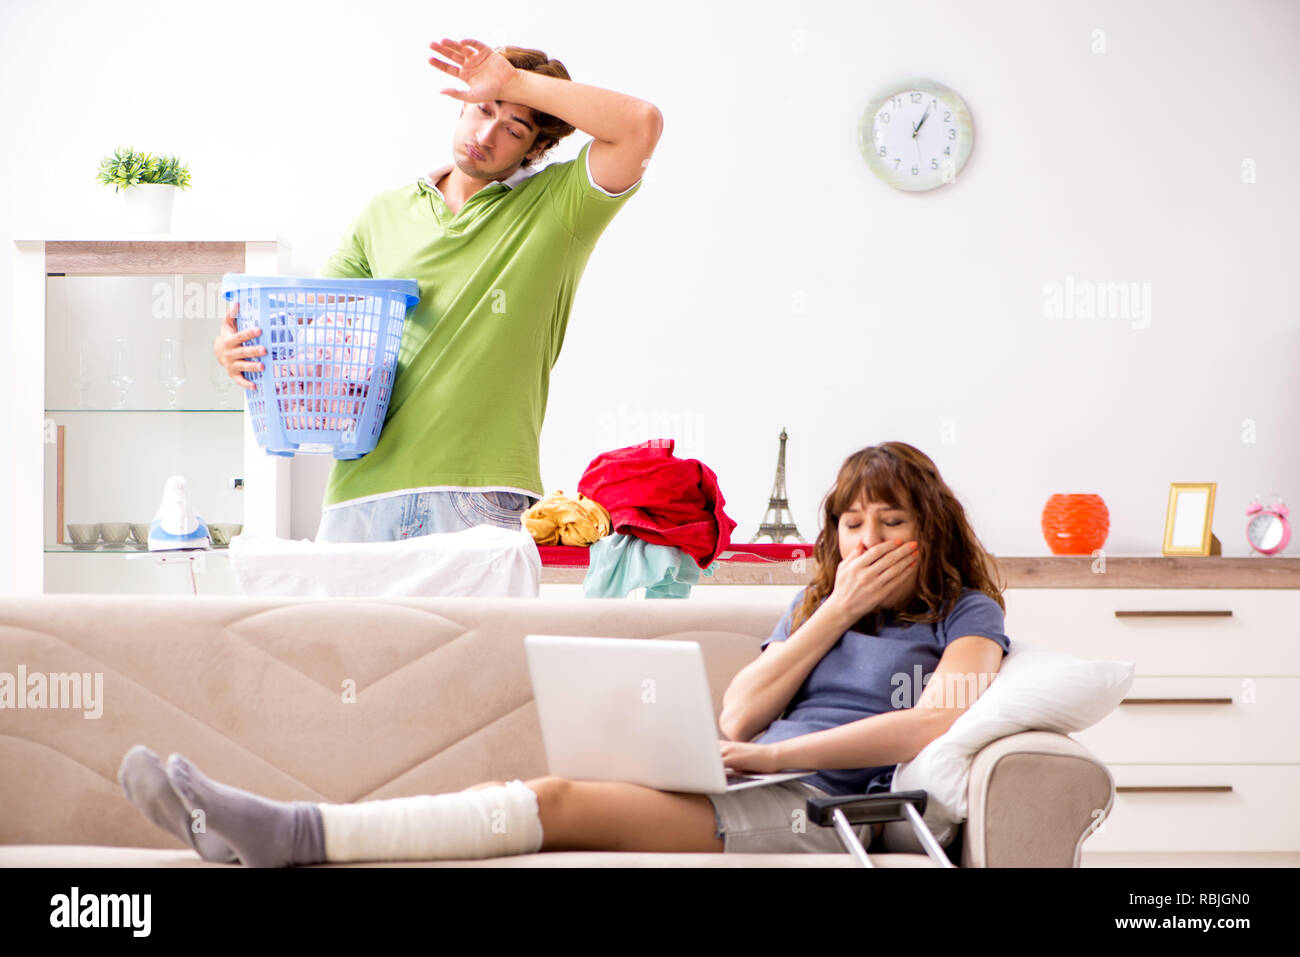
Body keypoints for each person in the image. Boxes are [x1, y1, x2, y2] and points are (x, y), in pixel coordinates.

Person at [116, 441, 1011, 864]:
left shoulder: (962, 611)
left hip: (823, 811)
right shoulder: (821, 602)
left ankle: (286, 831)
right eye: (854, 525)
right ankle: (261, 832)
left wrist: (774, 756)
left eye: (891, 523)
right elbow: (735, 714)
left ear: (930, 533)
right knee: (516, 794)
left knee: (550, 799)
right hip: (746, 772)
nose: (869, 541)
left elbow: (940, 715)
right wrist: (833, 611)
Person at [212, 38, 664, 542]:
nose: (486, 134)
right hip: (359, 496)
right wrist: (237, 349)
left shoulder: (559, 206)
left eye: (513, 129)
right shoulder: (383, 213)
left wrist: (512, 82)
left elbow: (640, 125)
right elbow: (294, 325)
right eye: (481, 110)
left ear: (535, 148)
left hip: (483, 499)